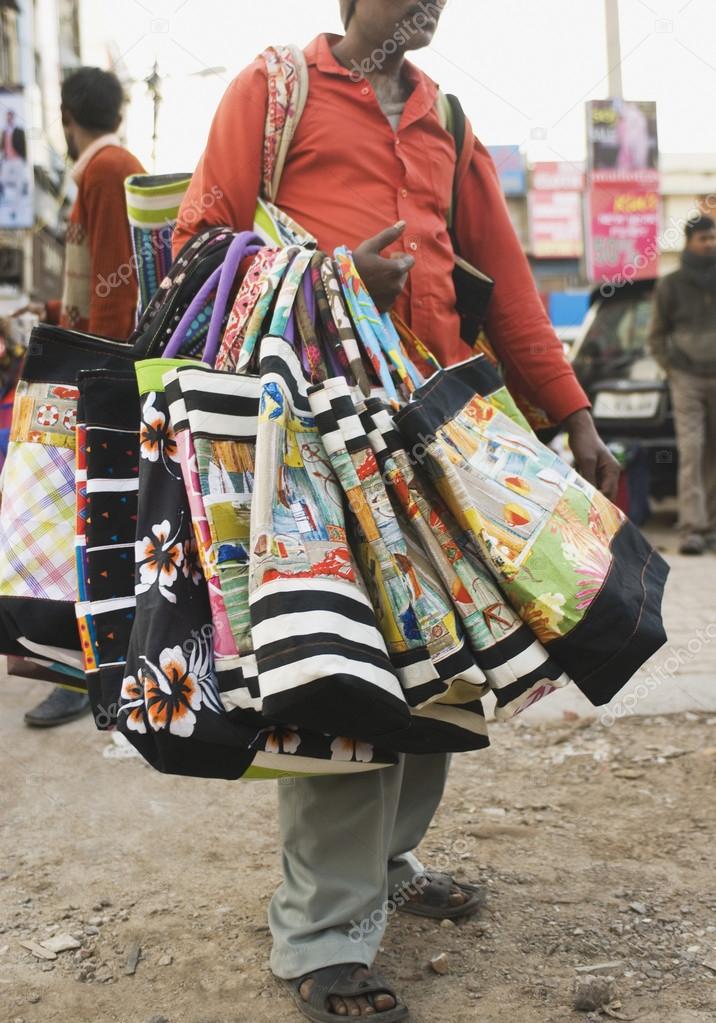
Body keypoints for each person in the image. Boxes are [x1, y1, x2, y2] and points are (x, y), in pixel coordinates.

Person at [174, 3, 620, 1019]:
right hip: (311, 450)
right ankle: (323, 939)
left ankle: (386, 863)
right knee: (336, 674)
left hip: (434, 440)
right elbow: (200, 251)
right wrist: (332, 276)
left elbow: (504, 288)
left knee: (439, 665)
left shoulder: (446, 121)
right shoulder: (274, 92)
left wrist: (574, 415)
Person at [21, 67, 145, 729]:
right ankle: (87, 666)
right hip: (104, 358)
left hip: (104, 369)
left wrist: (95, 367)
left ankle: (82, 671)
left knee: (87, 520)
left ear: (68, 117)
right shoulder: (111, 166)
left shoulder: (104, 170)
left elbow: (114, 282)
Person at [649, 214, 716, 556]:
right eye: (704, 239)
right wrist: (672, 369)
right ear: (690, 241)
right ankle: (692, 528)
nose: (710, 244)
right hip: (687, 378)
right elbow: (656, 334)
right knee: (692, 450)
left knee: (712, 453)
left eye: (713, 238)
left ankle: (711, 528)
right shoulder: (671, 284)